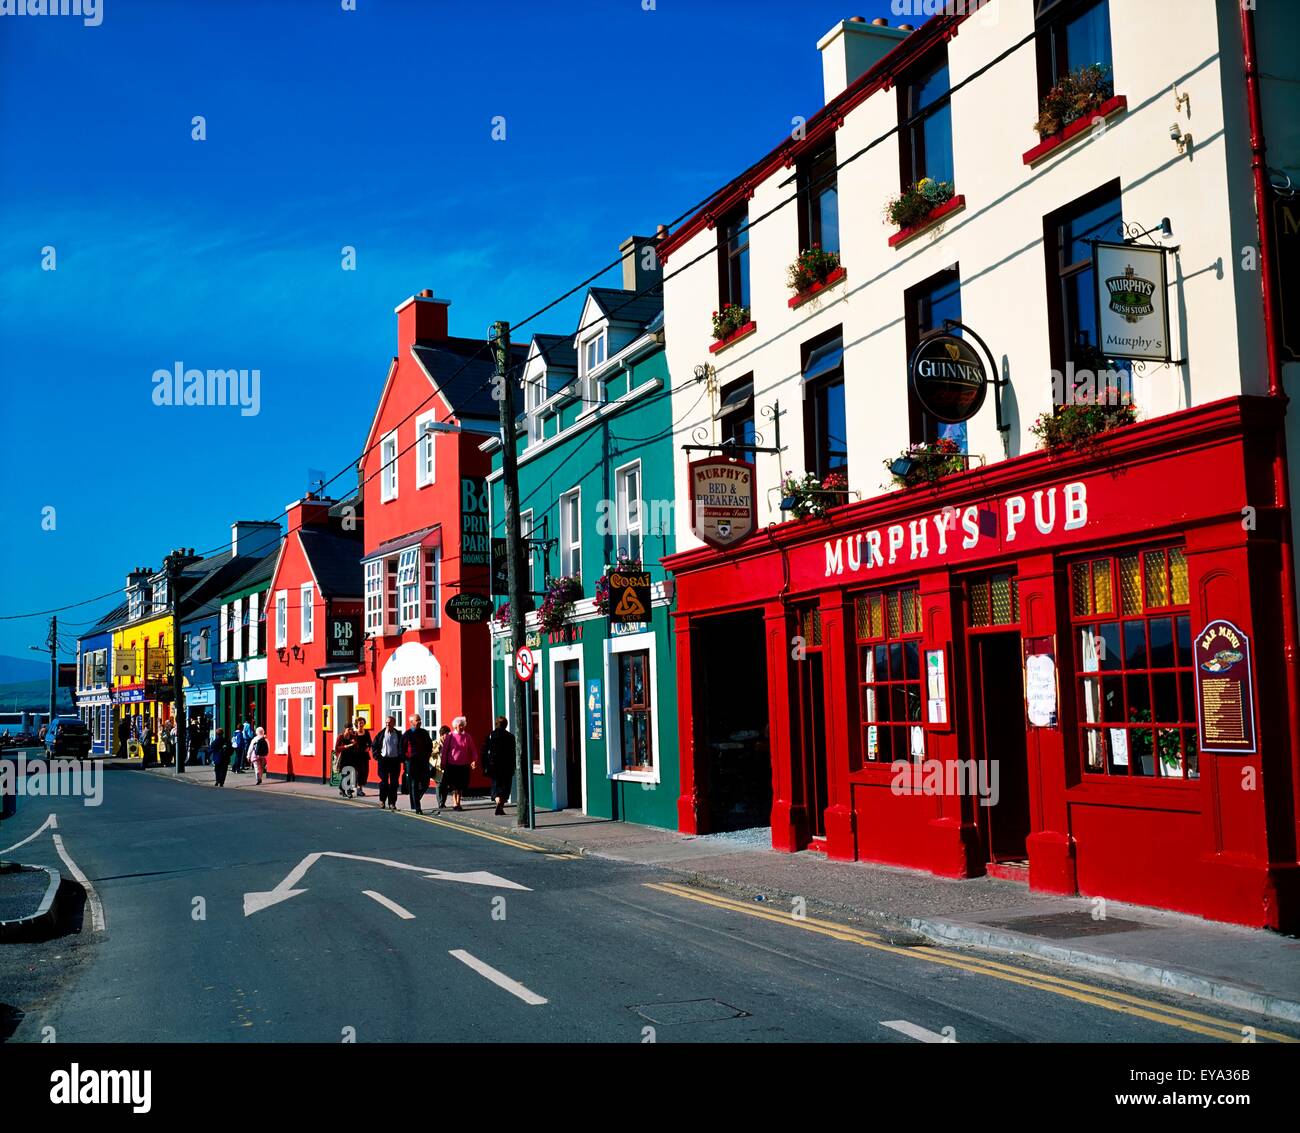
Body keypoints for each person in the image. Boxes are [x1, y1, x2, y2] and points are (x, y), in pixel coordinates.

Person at [439, 716, 478, 812]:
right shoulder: (450, 736)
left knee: (460, 785)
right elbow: (445, 751)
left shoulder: (467, 736)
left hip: (463, 765)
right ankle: (455, 803)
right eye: (460, 725)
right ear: (455, 726)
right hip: (452, 764)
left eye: (463, 725)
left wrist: (474, 760)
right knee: (454, 785)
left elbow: (473, 750)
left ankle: (458, 803)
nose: (462, 727)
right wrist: (443, 763)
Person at [482, 715, 516, 817]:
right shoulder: (510, 737)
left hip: (494, 766)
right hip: (507, 765)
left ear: (496, 724)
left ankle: (497, 802)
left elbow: (484, 751)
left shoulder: (490, 735)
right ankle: (500, 807)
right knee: (505, 787)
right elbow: (513, 753)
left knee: (496, 786)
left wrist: (484, 765)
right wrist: (513, 765)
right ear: (506, 725)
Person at [402, 714, 434, 814]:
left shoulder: (424, 732)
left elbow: (430, 744)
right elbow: (402, 748)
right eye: (417, 720)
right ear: (411, 722)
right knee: (414, 784)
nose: (419, 721)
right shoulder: (407, 734)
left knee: (426, 783)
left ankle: (415, 799)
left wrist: (428, 755)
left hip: (423, 761)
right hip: (412, 762)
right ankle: (417, 807)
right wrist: (406, 760)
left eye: (420, 719)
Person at [373, 715, 403, 811]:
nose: (387, 724)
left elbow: (402, 747)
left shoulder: (398, 734)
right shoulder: (381, 734)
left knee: (394, 783)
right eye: (386, 722)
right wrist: (377, 756)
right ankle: (382, 801)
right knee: (384, 782)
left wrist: (401, 758)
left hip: (395, 761)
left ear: (394, 723)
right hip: (383, 761)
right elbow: (374, 745)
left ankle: (392, 803)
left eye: (389, 722)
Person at [431, 724, 451, 807]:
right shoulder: (435, 743)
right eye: (447, 734)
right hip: (438, 768)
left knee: (445, 785)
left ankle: (443, 802)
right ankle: (440, 802)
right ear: (442, 734)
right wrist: (437, 750)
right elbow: (430, 754)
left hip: (447, 766)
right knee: (439, 785)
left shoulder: (449, 743)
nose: (448, 735)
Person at [333, 725, 356, 797]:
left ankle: (342, 788)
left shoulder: (353, 737)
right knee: (345, 774)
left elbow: (356, 747)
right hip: (343, 758)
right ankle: (347, 790)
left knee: (350, 773)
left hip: (351, 757)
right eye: (348, 729)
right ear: (345, 729)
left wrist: (354, 743)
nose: (350, 731)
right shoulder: (340, 737)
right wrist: (345, 746)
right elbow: (337, 748)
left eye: (351, 729)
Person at [352, 716, 371, 796]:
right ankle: (359, 788)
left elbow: (370, 742)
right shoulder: (354, 733)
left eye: (362, 723)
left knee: (365, 771)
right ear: (357, 724)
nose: (361, 724)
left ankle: (360, 786)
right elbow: (351, 743)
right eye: (359, 723)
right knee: (358, 772)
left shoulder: (366, 732)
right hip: (356, 755)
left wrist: (368, 747)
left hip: (364, 755)